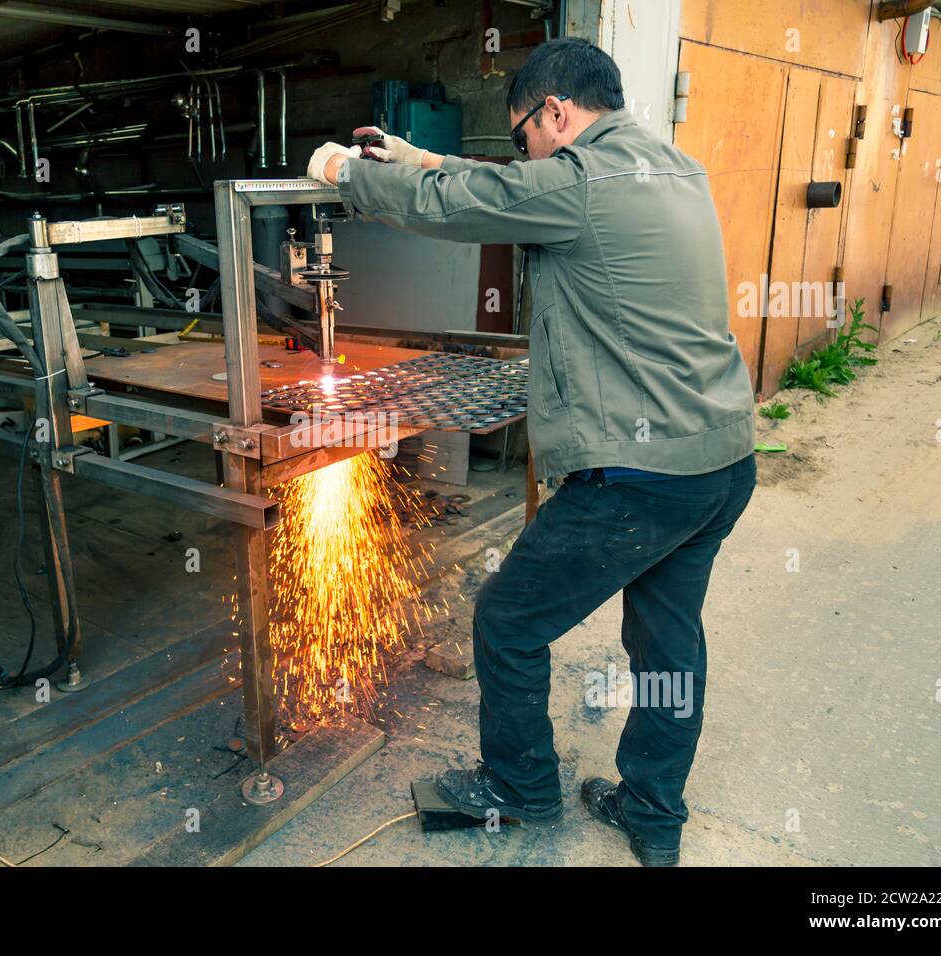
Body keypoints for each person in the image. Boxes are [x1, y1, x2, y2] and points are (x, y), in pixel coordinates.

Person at [306, 37, 756, 866]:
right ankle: (653, 816)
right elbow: (501, 187)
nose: (525, 154)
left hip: (639, 479)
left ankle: (519, 789)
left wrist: (345, 173)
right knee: (667, 643)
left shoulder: (584, 184)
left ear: (557, 113)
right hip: (719, 464)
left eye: (523, 136)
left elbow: (462, 206)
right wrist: (413, 153)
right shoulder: (669, 167)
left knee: (508, 621)